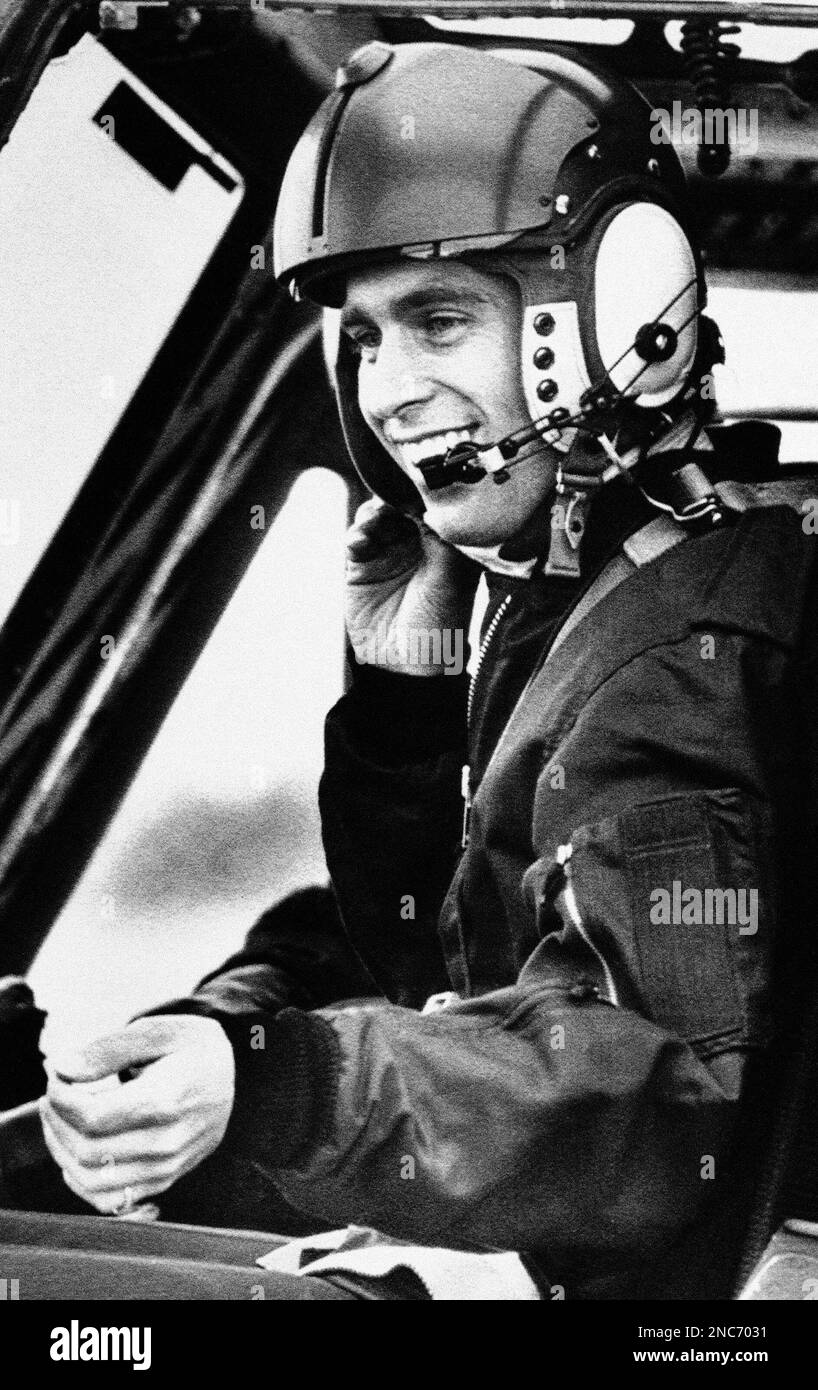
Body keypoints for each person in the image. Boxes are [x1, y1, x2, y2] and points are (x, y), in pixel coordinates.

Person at [39, 40, 818, 1299]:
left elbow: (660, 1081)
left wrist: (287, 1087)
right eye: (362, 337)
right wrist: (406, 705)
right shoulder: (587, 598)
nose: (392, 390)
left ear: (621, 316)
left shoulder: (688, 644)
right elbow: (458, 969)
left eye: (439, 319)